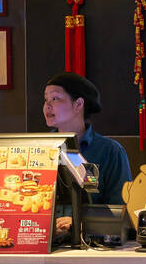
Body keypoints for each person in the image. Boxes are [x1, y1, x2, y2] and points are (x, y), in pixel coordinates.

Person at [42, 71, 131, 207]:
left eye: (55, 98)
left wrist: (80, 220)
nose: (47, 106)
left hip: (92, 228)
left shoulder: (111, 152)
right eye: (45, 99)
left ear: (78, 104)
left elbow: (121, 210)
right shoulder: (39, 149)